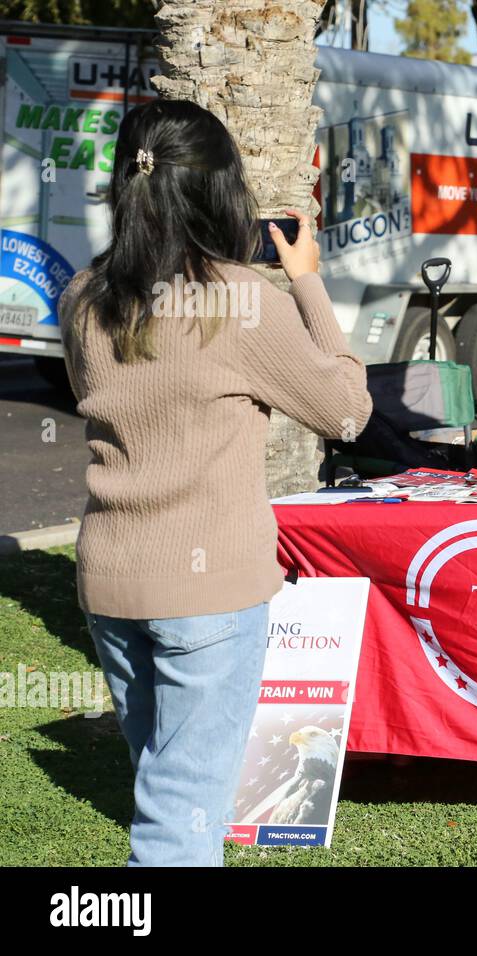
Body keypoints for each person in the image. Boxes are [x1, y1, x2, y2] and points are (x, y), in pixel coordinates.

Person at [58, 99, 372, 866]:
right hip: (208, 600)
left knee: (166, 787)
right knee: (181, 827)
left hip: (111, 583)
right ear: (220, 189)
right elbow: (348, 411)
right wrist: (308, 285)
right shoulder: (244, 303)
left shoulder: (82, 299)